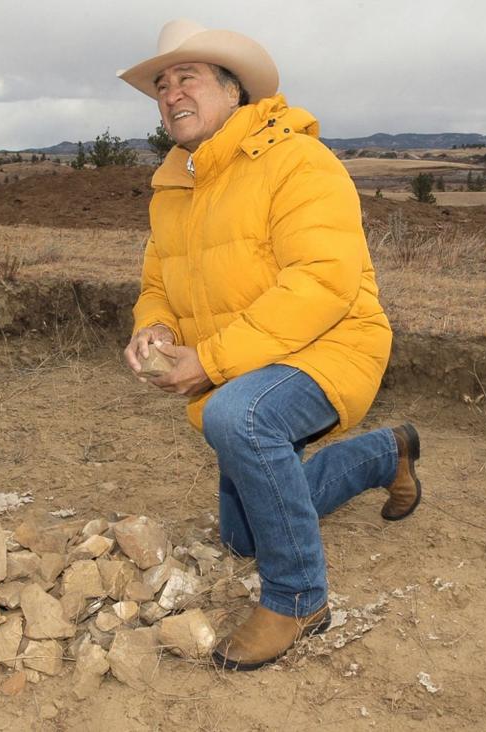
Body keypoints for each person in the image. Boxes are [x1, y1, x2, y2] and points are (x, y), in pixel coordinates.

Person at [117, 19, 423, 671]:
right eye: (162, 85)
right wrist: (157, 327)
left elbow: (322, 282)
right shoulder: (176, 189)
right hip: (247, 360)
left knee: (240, 416)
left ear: (234, 91)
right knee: (244, 534)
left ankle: (299, 599)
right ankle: (384, 455)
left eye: (188, 78)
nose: (171, 94)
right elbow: (156, 283)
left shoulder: (297, 161)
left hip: (331, 343)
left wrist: (211, 361)